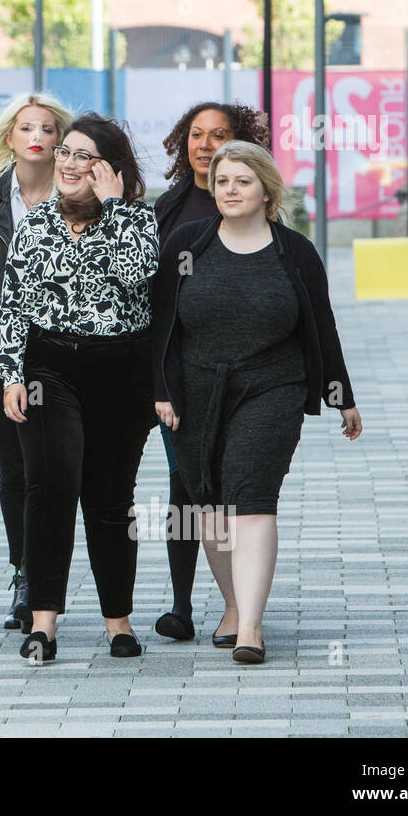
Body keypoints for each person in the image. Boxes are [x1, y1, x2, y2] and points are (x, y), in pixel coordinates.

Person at [151, 141, 362, 665]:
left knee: (251, 495)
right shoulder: (186, 244)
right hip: (197, 390)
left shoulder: (295, 252)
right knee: (210, 505)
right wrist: (161, 390)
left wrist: (341, 397)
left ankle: (250, 626)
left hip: (273, 386)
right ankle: (231, 604)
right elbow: (161, 328)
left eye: (243, 181)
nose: (231, 190)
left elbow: (322, 326)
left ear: (266, 188)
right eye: (223, 181)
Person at [0, 113, 157, 664]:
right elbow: (13, 305)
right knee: (50, 486)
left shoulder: (136, 219)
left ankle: (119, 621)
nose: (67, 163)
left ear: (110, 168)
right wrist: (12, 374)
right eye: (65, 152)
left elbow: (136, 274)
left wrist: (113, 209)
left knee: (111, 500)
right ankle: (44, 622)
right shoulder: (35, 223)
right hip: (49, 369)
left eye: (83, 156)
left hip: (119, 372)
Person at [150, 102, 271, 644]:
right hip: (180, 375)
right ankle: (182, 604)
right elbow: (156, 305)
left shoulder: (253, 203)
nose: (204, 144)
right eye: (195, 135)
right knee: (187, 487)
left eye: (218, 135)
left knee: (229, 487)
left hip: (248, 379)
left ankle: (236, 608)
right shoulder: (168, 207)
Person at [0, 92, 73, 633]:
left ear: (60, 140)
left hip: (67, 351)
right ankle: (26, 576)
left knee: (59, 467)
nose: (36, 136)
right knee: (17, 466)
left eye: (48, 128)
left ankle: (54, 573)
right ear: (9, 137)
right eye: (25, 127)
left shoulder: (82, 198)